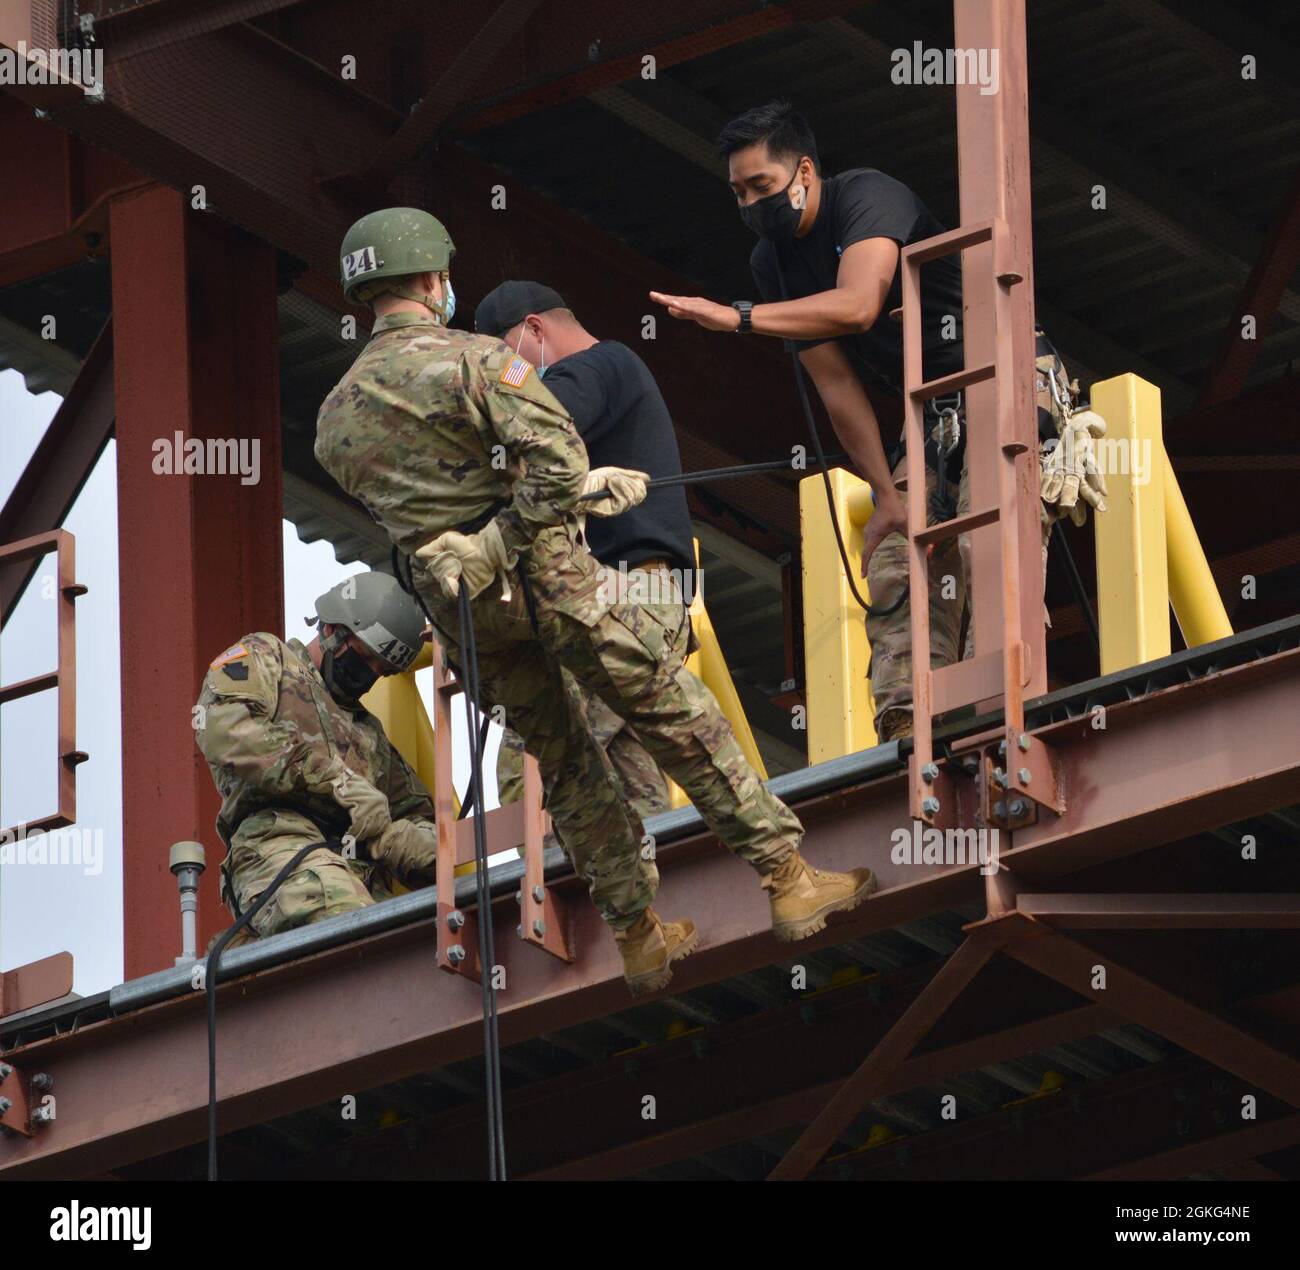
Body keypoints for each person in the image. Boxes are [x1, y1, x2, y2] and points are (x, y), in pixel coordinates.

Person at [314, 207, 875, 997]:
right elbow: (553, 464)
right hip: (549, 580)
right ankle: (787, 877)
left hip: (472, 617)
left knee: (568, 767)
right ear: (434, 279)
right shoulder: (476, 362)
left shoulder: (332, 419)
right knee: (671, 710)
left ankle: (639, 936)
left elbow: (407, 529)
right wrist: (515, 530)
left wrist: (468, 553)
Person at [651, 101, 1106, 741]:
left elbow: (859, 305)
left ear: (804, 171)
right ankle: (908, 726)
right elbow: (835, 385)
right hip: (932, 413)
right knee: (896, 560)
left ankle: (997, 709)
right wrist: (887, 494)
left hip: (1005, 379)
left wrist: (739, 318)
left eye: (762, 187)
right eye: (738, 193)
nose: (751, 205)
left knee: (984, 542)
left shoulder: (865, 196)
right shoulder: (771, 263)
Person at [474, 279, 696, 823]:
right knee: (627, 776)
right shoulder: (616, 373)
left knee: (535, 756)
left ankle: (541, 894)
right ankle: (648, 889)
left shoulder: (596, 366)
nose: (506, 375)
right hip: (645, 601)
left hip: (613, 596)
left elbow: (533, 426)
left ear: (534, 330)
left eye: (504, 357)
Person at [195, 572, 436, 942]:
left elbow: (421, 817)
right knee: (360, 933)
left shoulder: (369, 734)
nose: (369, 676)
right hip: (278, 844)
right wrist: (336, 780)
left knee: (413, 946)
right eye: (364, 658)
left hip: (360, 877)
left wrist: (394, 838)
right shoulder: (269, 660)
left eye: (381, 671)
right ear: (331, 629)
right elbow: (224, 733)